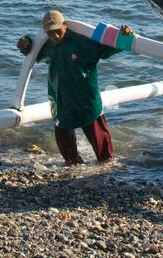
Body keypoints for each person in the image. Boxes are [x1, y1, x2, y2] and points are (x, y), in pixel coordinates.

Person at [16, 11, 131, 165]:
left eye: (58, 31)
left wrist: (124, 36)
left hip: (86, 99)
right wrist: (26, 44)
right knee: (67, 149)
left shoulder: (83, 41)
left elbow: (107, 48)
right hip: (61, 100)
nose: (55, 36)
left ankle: (107, 170)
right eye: (50, 33)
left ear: (65, 25)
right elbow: (35, 52)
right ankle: (74, 167)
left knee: (103, 150)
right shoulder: (48, 45)